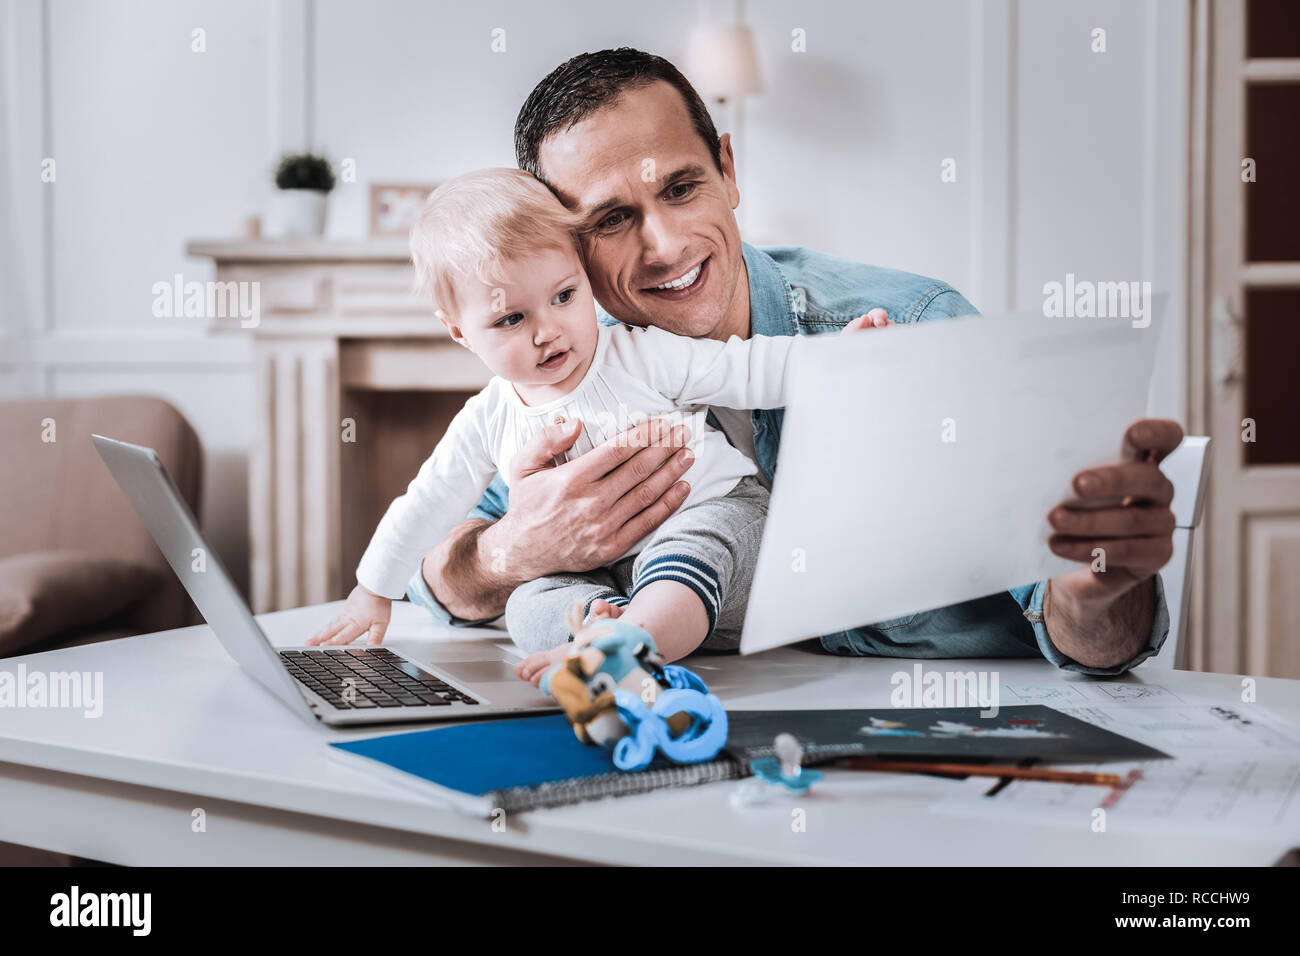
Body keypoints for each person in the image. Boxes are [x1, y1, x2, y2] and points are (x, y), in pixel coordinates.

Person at [330, 48, 1183, 679]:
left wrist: (1093, 587)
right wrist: (515, 549)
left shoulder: (910, 328)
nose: (665, 246)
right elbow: (447, 575)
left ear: (729, 170)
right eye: (613, 219)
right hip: (687, 734)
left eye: (680, 187)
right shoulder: (557, 380)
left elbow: (1091, 643)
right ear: (563, 248)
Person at [307, 167, 880, 670]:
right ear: (459, 331)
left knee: (691, 548)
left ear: (584, 278)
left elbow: (746, 367)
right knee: (529, 607)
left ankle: (635, 638)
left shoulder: (636, 353)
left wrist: (833, 362)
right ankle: (598, 630)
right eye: (510, 319)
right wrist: (372, 589)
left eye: (563, 296)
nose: (547, 330)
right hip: (606, 576)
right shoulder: (486, 418)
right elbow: (427, 501)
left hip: (718, 518)